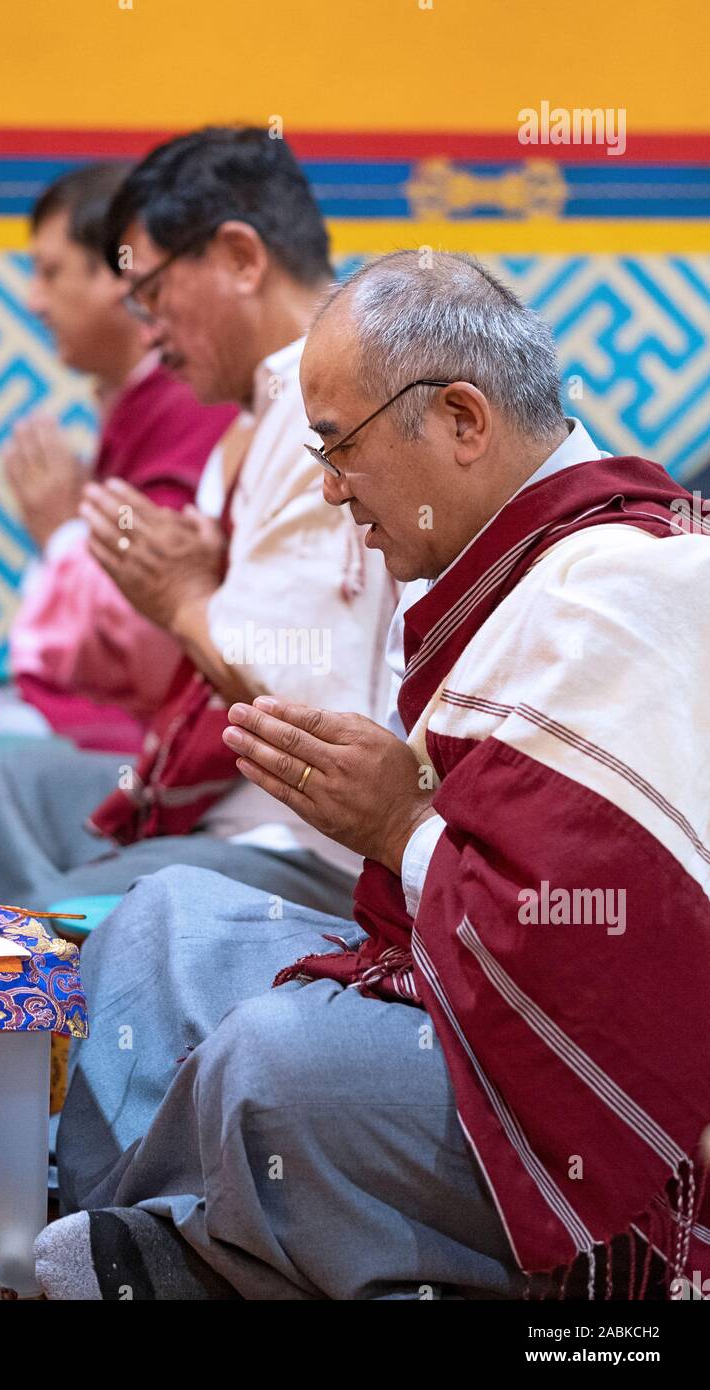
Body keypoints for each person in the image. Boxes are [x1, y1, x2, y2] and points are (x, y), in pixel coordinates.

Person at [40, 250, 710, 1301]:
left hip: (622, 1114)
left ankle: (159, 1249)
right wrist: (403, 823)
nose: (327, 486)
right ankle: (171, 1239)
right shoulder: (525, 564)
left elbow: (605, 950)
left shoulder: (623, 584)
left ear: (459, 418)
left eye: (339, 446)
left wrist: (400, 826)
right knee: (162, 923)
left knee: (272, 1066)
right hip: (453, 970)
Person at [0, 129, 397, 916]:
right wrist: (195, 587)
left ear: (240, 257)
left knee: (35, 921)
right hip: (227, 803)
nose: (149, 330)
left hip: (301, 840)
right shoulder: (246, 422)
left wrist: (183, 599)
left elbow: (301, 706)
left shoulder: (329, 411)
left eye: (154, 295)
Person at [0, 162, 235, 749]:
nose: (34, 301)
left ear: (119, 273)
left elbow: (152, 639)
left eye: (49, 273)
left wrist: (61, 532)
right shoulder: (137, 402)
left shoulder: (190, 404)